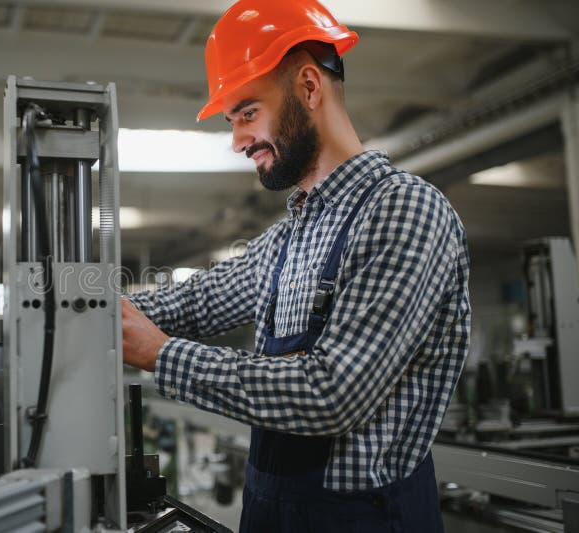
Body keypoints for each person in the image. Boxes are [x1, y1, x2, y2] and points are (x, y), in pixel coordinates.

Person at [122, 1, 470, 531]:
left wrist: (163, 357)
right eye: (232, 121)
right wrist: (83, 307)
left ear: (309, 87)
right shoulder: (289, 238)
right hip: (270, 513)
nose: (237, 140)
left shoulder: (405, 210)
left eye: (247, 113)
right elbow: (192, 302)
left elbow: (330, 392)